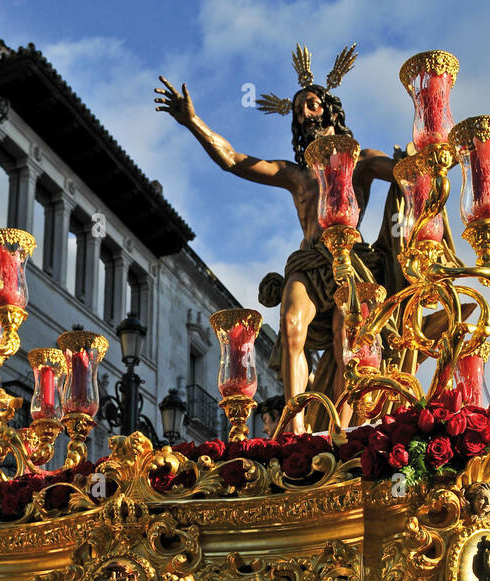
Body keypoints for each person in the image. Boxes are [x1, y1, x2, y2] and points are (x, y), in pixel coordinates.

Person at [154, 45, 408, 433]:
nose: (305, 114)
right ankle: (297, 427)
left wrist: (419, 160)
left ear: (330, 110)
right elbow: (234, 160)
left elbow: (411, 175)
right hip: (308, 262)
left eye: (311, 105)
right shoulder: (295, 174)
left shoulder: (362, 161)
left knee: (345, 342)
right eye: (298, 110)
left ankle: (342, 427)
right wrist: (192, 121)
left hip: (353, 263)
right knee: (291, 324)